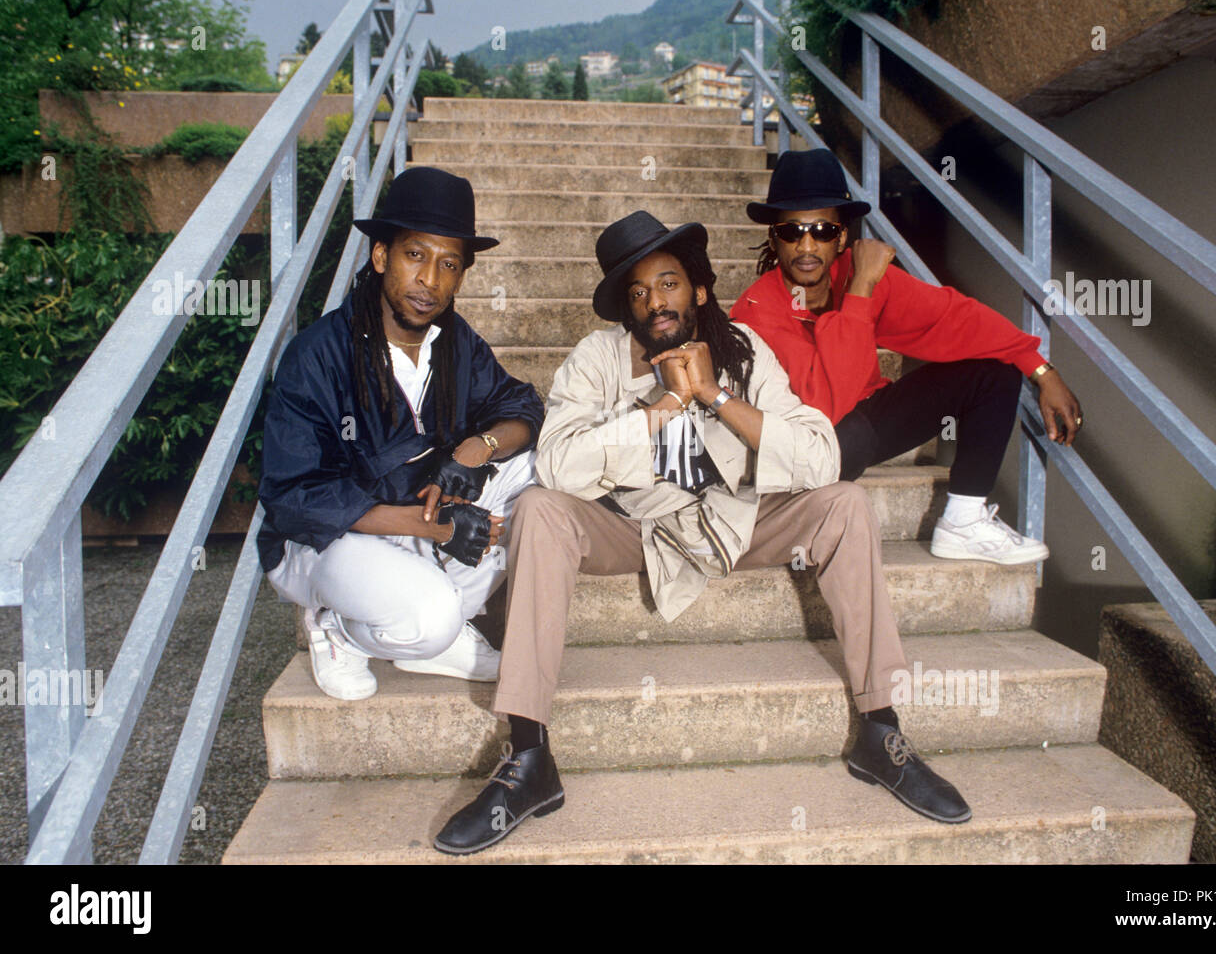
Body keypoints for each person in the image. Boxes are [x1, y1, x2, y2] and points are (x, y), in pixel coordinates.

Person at [433, 211, 971, 856]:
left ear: (699, 291)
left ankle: (882, 733)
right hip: (633, 527)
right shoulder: (596, 358)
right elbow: (557, 465)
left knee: (846, 503)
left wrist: (714, 397)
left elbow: (820, 457)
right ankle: (527, 758)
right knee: (542, 509)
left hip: (737, 522)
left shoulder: (745, 348)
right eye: (637, 293)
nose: (654, 302)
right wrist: (660, 410)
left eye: (667, 284)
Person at [257, 167, 543, 701]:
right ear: (382, 256)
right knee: (429, 615)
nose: (430, 280)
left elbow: (521, 407)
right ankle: (339, 629)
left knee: (540, 477)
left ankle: (438, 640)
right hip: (328, 541)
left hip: (414, 529)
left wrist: (471, 451)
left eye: (449, 264)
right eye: (416, 255)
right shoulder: (319, 355)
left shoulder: (455, 343)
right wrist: (435, 528)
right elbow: (294, 495)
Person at [731, 149, 1083, 565]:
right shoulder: (756, 310)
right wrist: (861, 289)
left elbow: (953, 315)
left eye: (823, 230)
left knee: (991, 372)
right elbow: (826, 405)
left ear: (842, 237)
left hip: (865, 422)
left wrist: (1040, 369)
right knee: (854, 430)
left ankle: (964, 520)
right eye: (792, 231)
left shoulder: (855, 275)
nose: (807, 246)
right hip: (806, 445)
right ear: (774, 238)